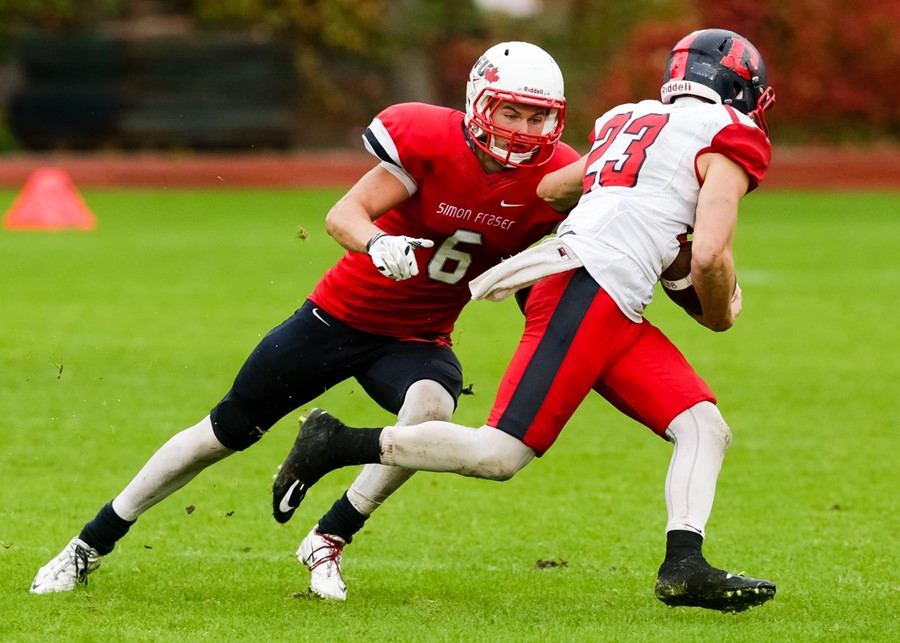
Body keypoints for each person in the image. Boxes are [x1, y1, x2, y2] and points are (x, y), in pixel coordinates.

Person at [30, 41, 581, 595]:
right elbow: (343, 214)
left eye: (537, 116)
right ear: (478, 103)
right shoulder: (431, 142)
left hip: (417, 337)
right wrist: (376, 243)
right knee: (220, 435)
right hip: (336, 320)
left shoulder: (557, 179)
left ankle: (331, 534)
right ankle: (87, 545)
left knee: (432, 408)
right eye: (511, 111)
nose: (523, 128)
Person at [272, 28, 778, 613]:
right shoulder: (732, 135)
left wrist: (639, 220)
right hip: (587, 289)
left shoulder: (631, 116)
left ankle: (683, 566)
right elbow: (713, 254)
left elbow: (554, 187)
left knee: (703, 426)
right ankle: (335, 442)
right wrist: (717, 309)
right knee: (499, 456)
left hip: (609, 294)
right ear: (741, 89)